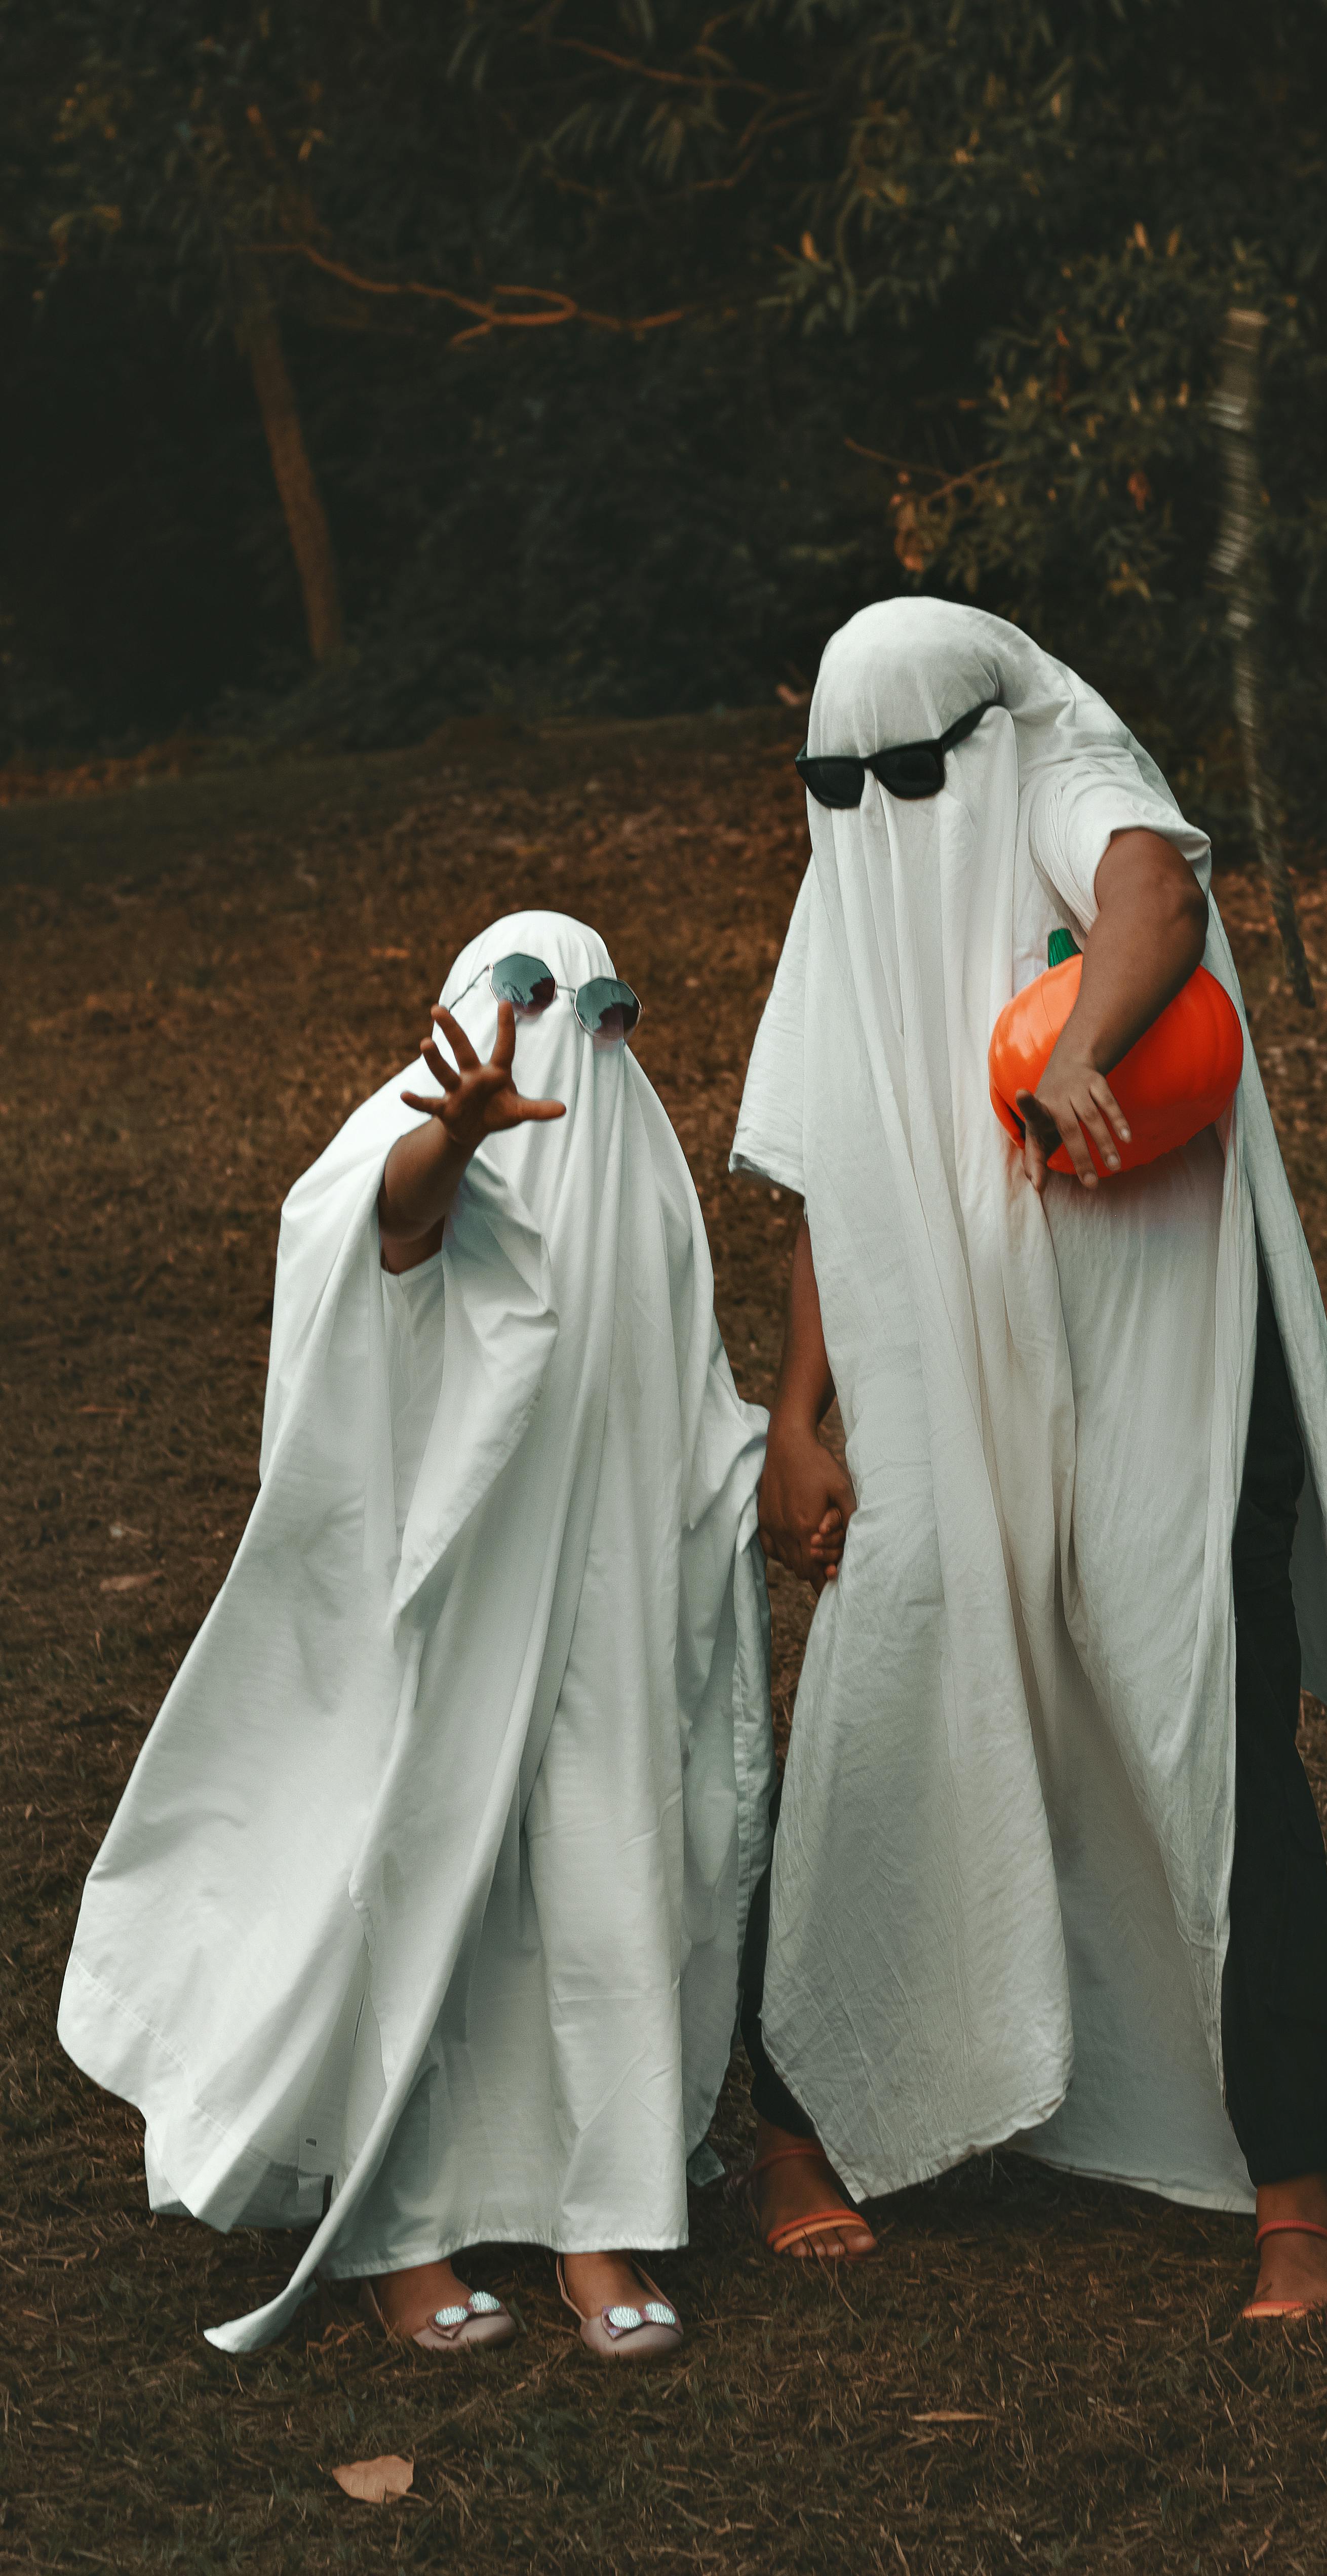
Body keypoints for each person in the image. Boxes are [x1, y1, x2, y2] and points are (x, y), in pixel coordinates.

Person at [731, 600, 1327, 2315]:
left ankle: (1295, 2192)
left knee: (1206, 1711)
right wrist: (802, 1413)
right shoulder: (853, 855)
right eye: (835, 781)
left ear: (982, 734)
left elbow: (1153, 896)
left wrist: (1082, 1053)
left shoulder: (1063, 760)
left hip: (1164, 1368)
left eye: (903, 774)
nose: (871, 809)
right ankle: (801, 2125)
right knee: (896, 1680)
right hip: (940, 1378)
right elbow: (841, 1157)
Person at [59, 911, 774, 2358]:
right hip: (445, 1611)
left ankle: (603, 2217)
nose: (571, 1030)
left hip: (608, 1608)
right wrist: (453, 1135)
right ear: (462, 1010)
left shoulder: (643, 1186)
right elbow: (392, 1227)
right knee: (432, 1881)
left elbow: (686, 1379)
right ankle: (403, 2231)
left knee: (604, 1882)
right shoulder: (405, 1134)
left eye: (607, 1007)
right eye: (529, 993)